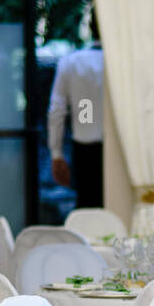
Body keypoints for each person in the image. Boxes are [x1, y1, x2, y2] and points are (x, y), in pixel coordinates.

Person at [48, 14, 104, 208]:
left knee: (87, 209)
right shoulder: (121, 63)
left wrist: (56, 153)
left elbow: (57, 110)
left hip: (84, 147)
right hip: (116, 149)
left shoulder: (72, 63)